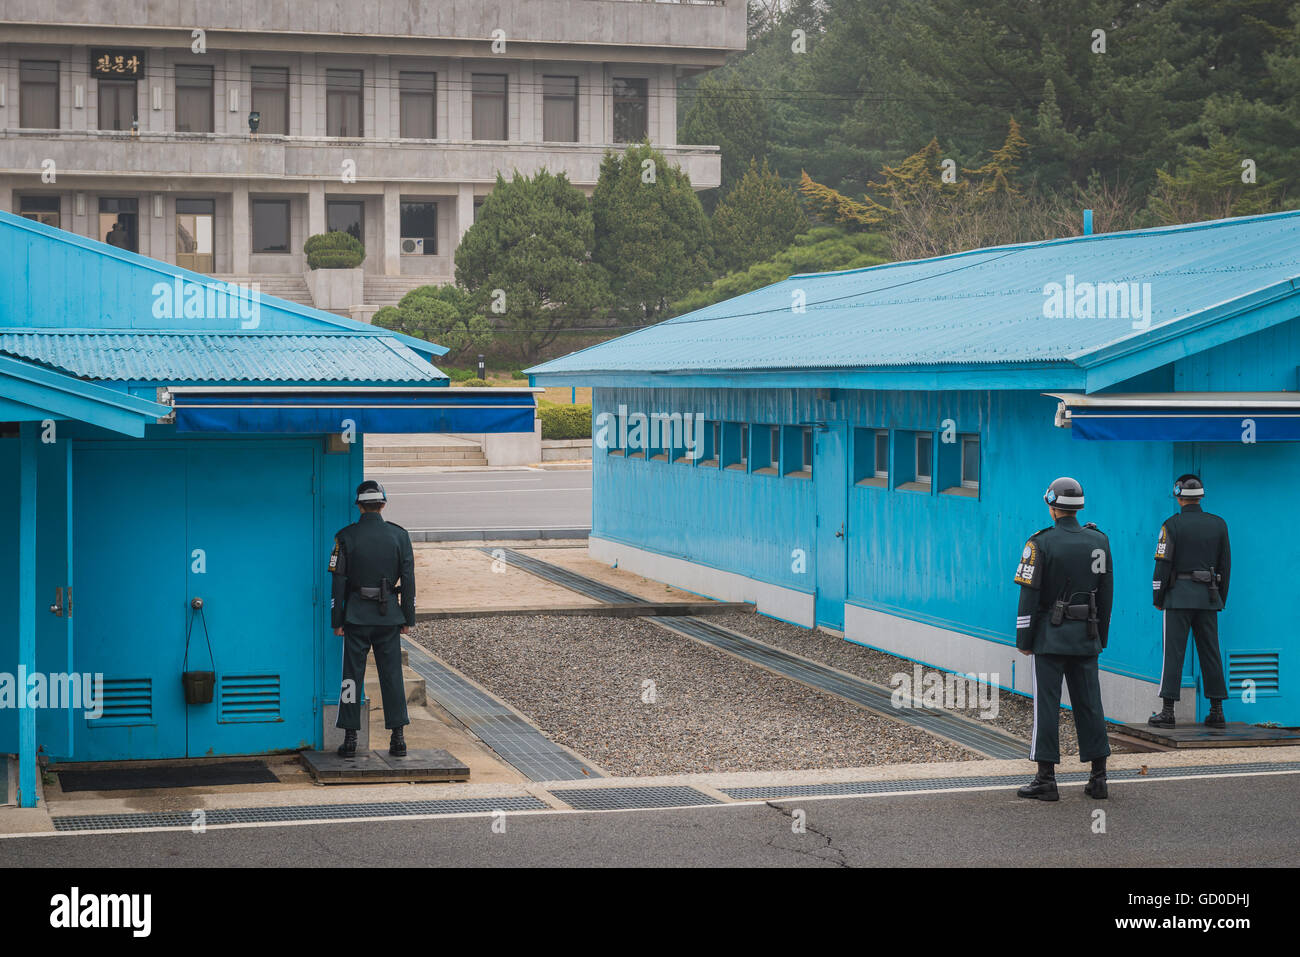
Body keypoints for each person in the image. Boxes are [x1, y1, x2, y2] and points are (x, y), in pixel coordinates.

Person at [1013, 477, 1114, 801]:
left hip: (1050, 637)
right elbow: (1107, 595)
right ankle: (1099, 777)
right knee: (1090, 705)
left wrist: (1024, 639)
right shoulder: (1099, 540)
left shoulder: (1039, 543)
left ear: (1052, 506)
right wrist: (1100, 636)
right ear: (1078, 507)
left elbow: (1029, 597)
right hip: (1087, 635)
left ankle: (1046, 780)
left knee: (1047, 707)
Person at [329, 480, 416, 756]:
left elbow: (338, 582)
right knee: (392, 675)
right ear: (383, 504)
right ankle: (398, 737)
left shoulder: (345, 537)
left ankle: (351, 737)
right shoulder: (400, 536)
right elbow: (409, 581)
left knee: (351, 677)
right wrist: (407, 618)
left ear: (358, 505)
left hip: (355, 616)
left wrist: (337, 620)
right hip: (389, 614)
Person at [1149, 474, 1231, 729]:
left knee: (1173, 654)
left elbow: (1162, 565)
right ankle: (1216, 710)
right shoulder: (1219, 524)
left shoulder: (1170, 525)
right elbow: (1225, 566)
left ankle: (1168, 711)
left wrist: (1158, 596)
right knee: (1211, 652)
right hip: (1209, 596)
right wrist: (1220, 598)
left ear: (1178, 495)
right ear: (1201, 496)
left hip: (1177, 597)